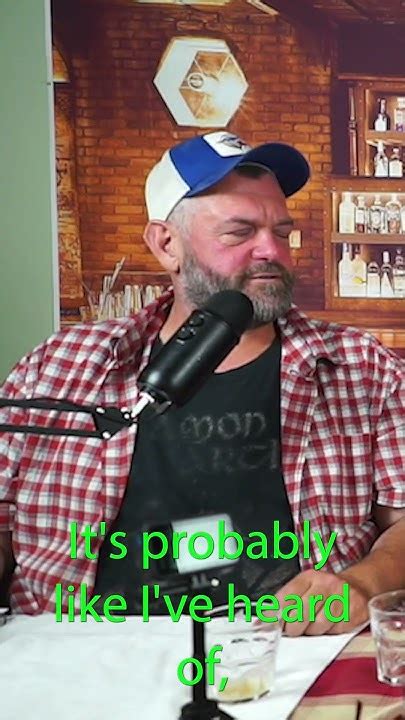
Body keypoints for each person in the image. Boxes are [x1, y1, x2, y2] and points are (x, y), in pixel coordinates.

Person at [0, 131, 404, 636]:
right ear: (166, 244)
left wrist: (362, 584)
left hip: (289, 649)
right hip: (79, 648)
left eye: (282, 232)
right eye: (240, 232)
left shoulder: (362, 368)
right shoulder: (59, 366)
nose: (272, 251)